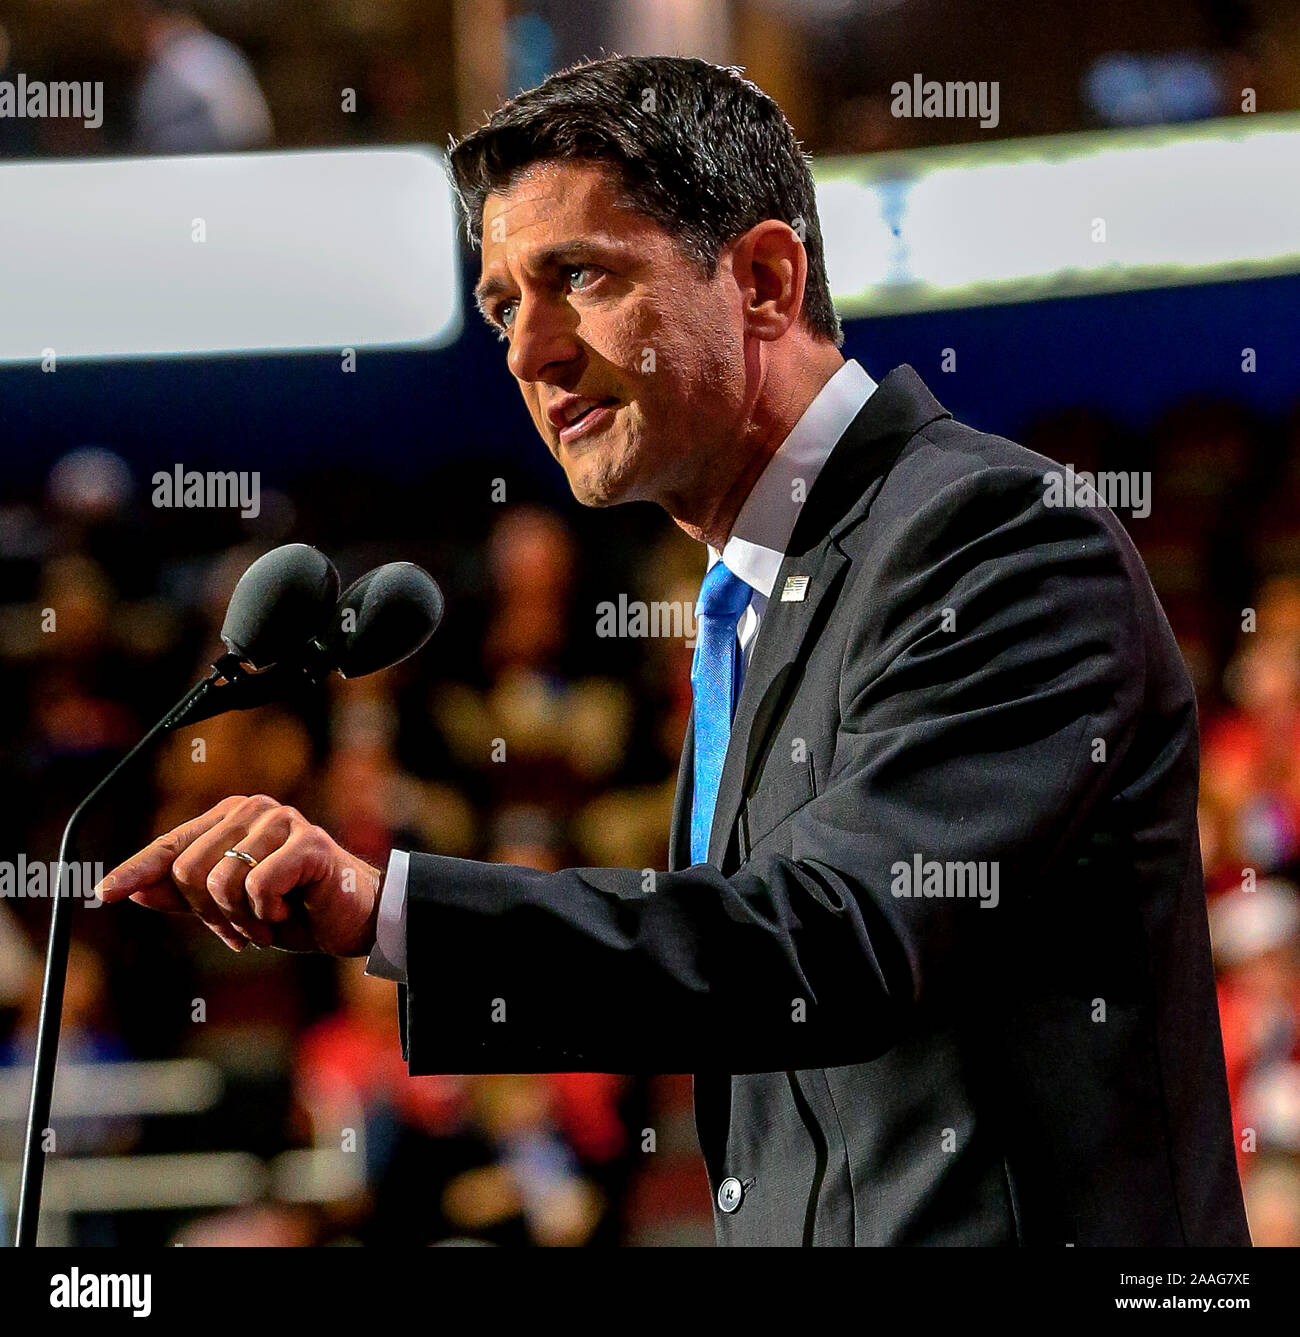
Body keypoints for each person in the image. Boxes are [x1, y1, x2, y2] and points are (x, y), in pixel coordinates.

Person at [98, 55, 1249, 1246]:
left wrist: (385, 908)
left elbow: (832, 943)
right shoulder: (744, 599)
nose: (527, 353)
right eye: (502, 305)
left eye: (578, 278)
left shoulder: (995, 538)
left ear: (760, 277)